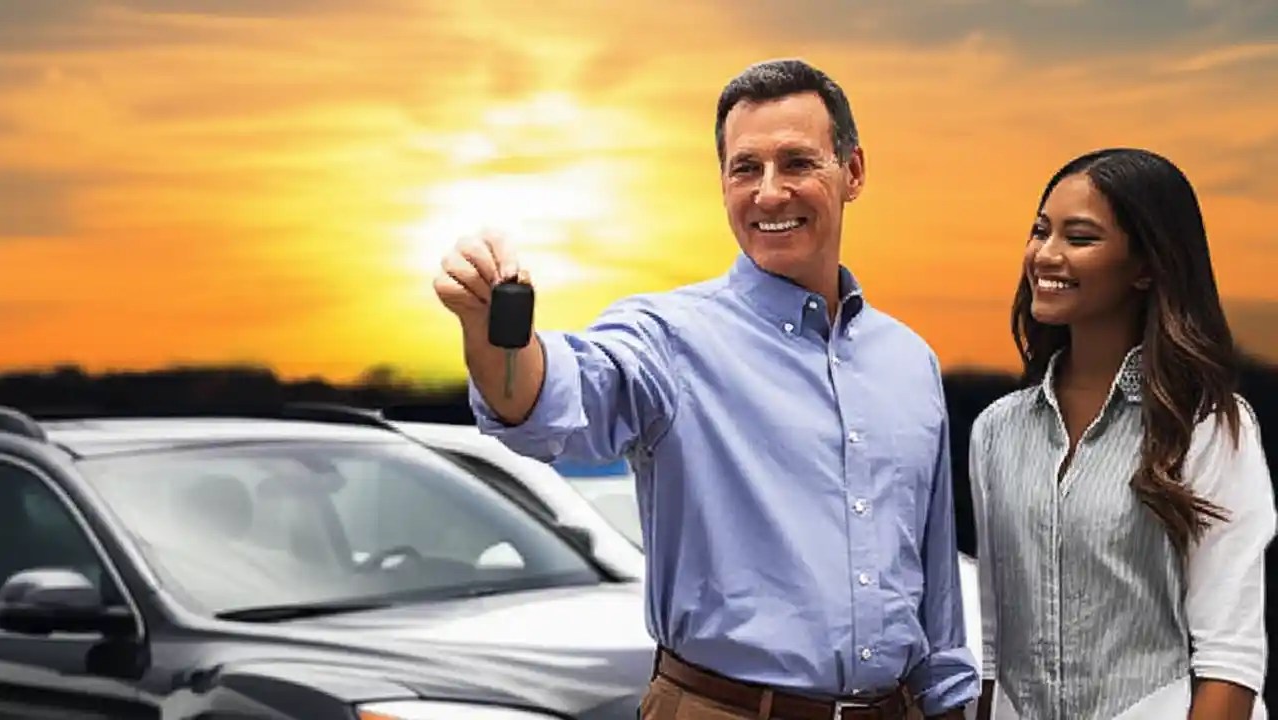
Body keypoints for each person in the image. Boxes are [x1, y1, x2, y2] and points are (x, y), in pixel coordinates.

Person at [434, 58, 977, 720]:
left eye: (797, 163)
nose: (769, 193)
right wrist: (493, 335)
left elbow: (936, 595)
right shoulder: (666, 339)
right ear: (722, 183)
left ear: (853, 171)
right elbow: (545, 406)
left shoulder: (909, 362)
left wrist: (948, 702)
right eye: (746, 168)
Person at [969, 148, 1275, 720]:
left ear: (1146, 267)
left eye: (1080, 238)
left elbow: (1230, 663)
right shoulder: (996, 431)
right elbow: (991, 647)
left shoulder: (1205, 426)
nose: (1046, 254)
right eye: (1040, 231)